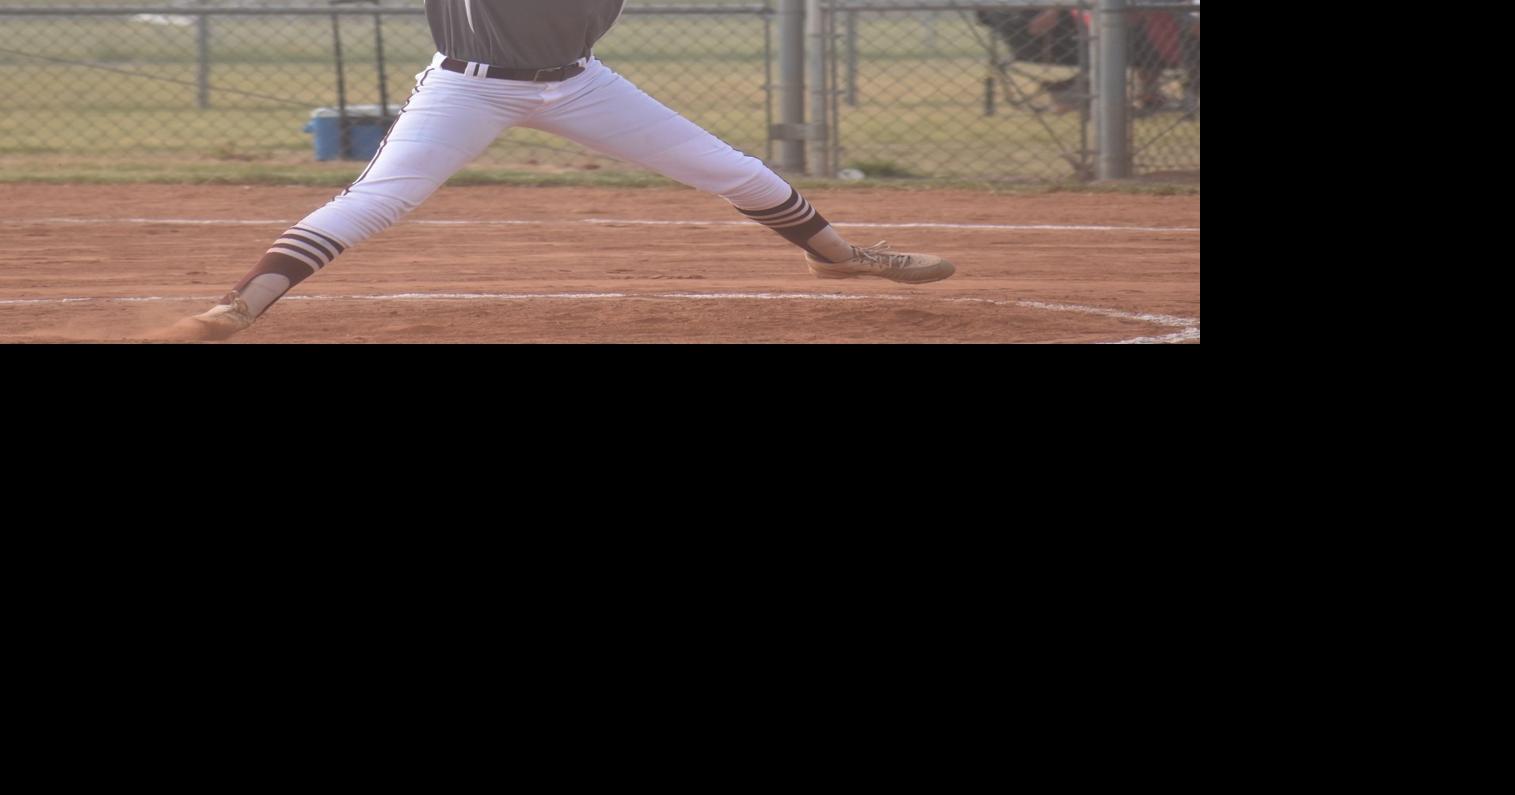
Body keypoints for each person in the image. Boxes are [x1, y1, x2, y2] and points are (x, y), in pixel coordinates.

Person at [167, 0, 954, 341]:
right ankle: (240, 307)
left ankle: (836, 257)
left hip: (578, 81)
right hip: (465, 86)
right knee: (380, 199)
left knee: (736, 172)